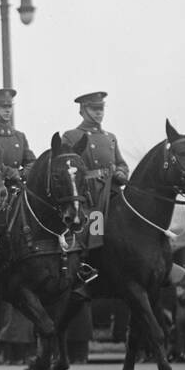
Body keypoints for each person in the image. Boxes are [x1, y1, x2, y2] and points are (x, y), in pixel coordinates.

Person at [63, 91, 129, 254]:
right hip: (90, 196)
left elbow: (121, 163)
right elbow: (66, 167)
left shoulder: (110, 137)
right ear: (83, 111)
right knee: (94, 232)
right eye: (94, 109)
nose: (99, 113)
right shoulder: (72, 136)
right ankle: (89, 262)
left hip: (112, 191)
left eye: (101, 109)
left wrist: (121, 172)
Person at [0, 88, 36, 184]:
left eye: (9, 106)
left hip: (15, 188)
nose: (7, 110)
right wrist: (9, 172)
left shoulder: (19, 137)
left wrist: (21, 173)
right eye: (3, 106)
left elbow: (32, 163)